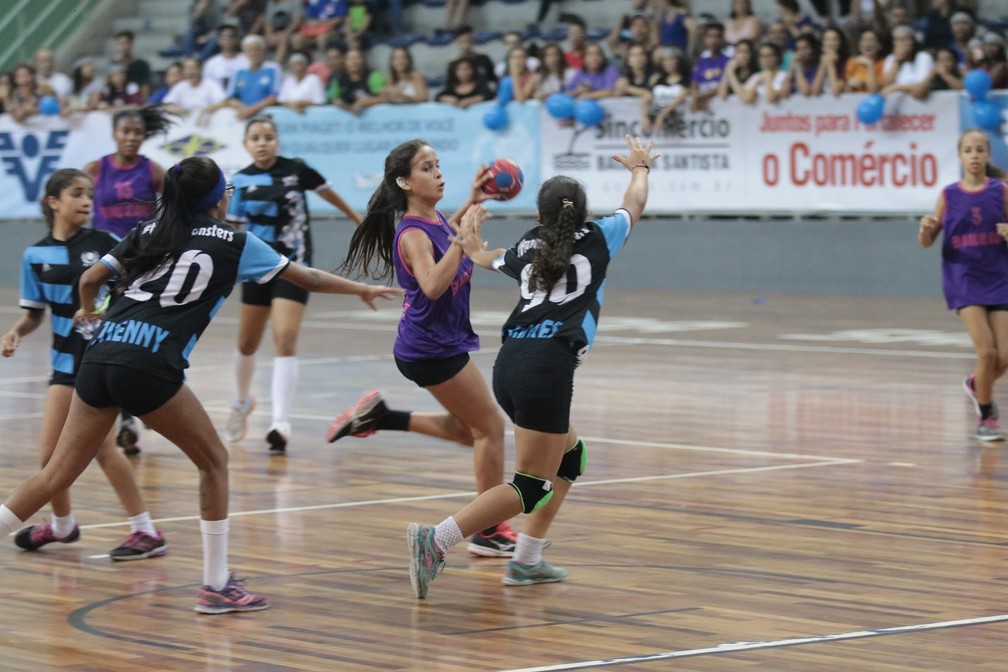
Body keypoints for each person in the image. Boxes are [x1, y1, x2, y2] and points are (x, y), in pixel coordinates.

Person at [0, 155, 400, 613]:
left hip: (99, 354)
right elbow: (305, 277)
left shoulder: (150, 229)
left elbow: (91, 278)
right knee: (214, 462)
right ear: (217, 198)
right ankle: (215, 585)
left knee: (54, 474)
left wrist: (90, 311)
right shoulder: (235, 241)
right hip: (149, 362)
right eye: (227, 188)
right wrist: (362, 289)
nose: (232, 193)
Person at [404, 134, 657, 598]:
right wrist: (640, 168)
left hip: (511, 365)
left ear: (540, 215)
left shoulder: (526, 246)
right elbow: (633, 203)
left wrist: (470, 241)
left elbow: (485, 258)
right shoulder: (601, 236)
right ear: (581, 214)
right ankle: (435, 539)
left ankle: (526, 560)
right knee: (531, 486)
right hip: (546, 369)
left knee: (571, 456)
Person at [327, 139, 519, 559]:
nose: (438, 174)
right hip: (432, 348)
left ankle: (381, 416)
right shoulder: (413, 232)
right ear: (405, 182)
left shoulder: (433, 221)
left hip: (432, 344)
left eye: (438, 165)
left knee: (470, 431)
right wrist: (462, 239)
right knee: (490, 429)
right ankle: (488, 529)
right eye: (427, 168)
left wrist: (470, 201)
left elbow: (444, 238)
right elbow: (432, 286)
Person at [1, 169, 165, 561]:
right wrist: (15, 332)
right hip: (63, 364)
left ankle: (145, 530)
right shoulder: (35, 255)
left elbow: (131, 291)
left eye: (90, 193)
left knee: (104, 450)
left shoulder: (105, 243)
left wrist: (102, 310)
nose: (87, 201)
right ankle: (62, 526)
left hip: (100, 359)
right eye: (77, 194)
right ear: (53, 202)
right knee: (49, 457)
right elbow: (33, 313)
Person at [225, 116, 364, 453]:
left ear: (278, 141)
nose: (262, 143)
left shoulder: (297, 170)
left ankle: (280, 423)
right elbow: (233, 226)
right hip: (257, 267)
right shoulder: (240, 181)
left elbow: (329, 194)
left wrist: (359, 222)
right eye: (255, 138)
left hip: (295, 265)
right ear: (246, 144)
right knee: (247, 342)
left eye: (269, 137)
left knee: (284, 339)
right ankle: (243, 401)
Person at [84, 106, 173, 455]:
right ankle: (127, 418)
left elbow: (177, 203)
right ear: (115, 134)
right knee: (113, 335)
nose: (132, 137)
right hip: (107, 262)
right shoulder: (95, 170)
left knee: (147, 334)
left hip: (144, 262)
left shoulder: (152, 170)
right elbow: (72, 200)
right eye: (126, 131)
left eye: (138, 132)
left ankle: (151, 396)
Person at [918, 129, 1008, 442]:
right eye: (968, 150)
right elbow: (928, 241)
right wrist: (926, 229)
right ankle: (986, 417)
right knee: (987, 352)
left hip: (999, 277)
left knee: (1004, 356)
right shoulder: (949, 195)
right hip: (964, 279)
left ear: (987, 156)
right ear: (960, 156)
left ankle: (975, 384)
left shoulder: (1001, 191)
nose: (974, 155)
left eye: (980, 150)